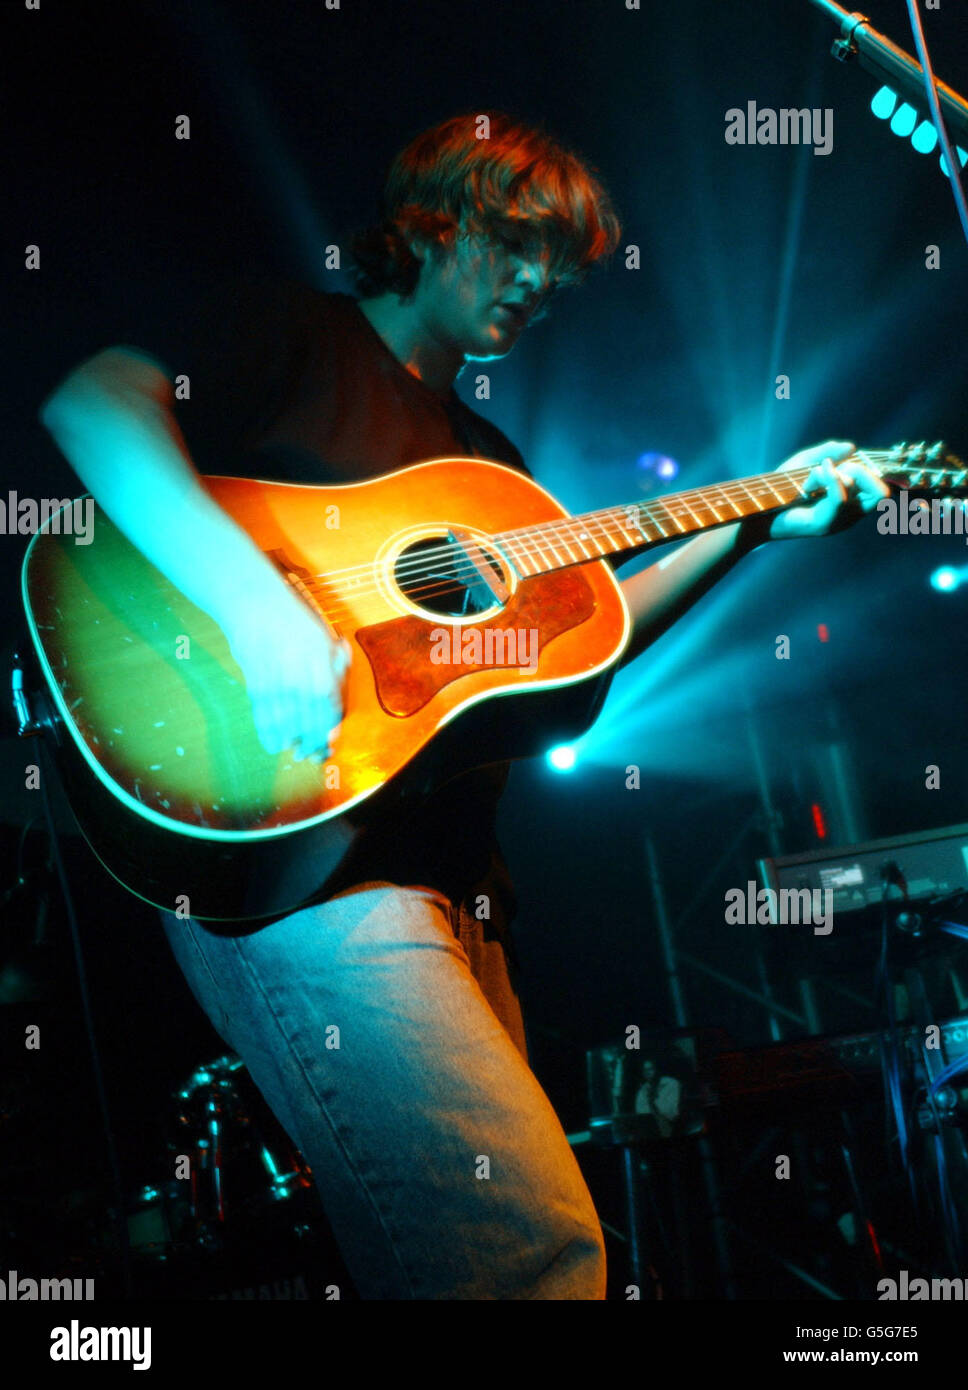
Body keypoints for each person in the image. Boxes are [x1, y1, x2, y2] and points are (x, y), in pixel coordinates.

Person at [38, 111, 888, 1299]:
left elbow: (583, 645)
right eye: (515, 242)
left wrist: (750, 518)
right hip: (305, 869)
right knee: (529, 1254)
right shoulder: (289, 333)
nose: (539, 282)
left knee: (471, 1263)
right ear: (432, 224)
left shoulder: (488, 467)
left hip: (453, 891)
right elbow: (92, 400)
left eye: (561, 265)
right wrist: (252, 603)